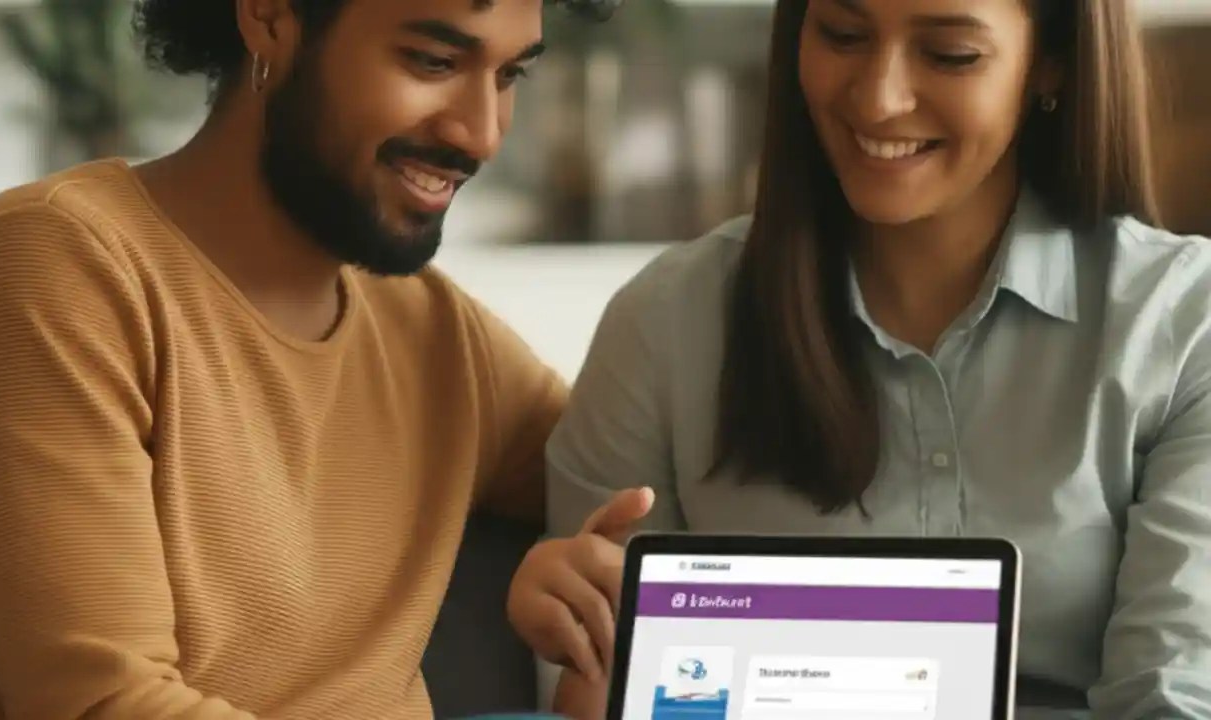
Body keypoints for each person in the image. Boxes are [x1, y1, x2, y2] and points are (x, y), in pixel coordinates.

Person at [507, 0, 1211, 717]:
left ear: (1051, 62)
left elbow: (1173, 694)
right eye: (843, 36)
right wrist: (589, 650)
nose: (879, 97)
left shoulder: (1185, 323)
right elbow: (604, 696)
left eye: (949, 55)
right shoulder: (666, 324)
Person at [0, 0, 617, 717]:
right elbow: (103, 704)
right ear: (268, 16)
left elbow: (643, 491)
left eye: (508, 76)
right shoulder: (58, 266)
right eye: (433, 62)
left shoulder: (438, 335)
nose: (480, 133)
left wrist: (587, 580)